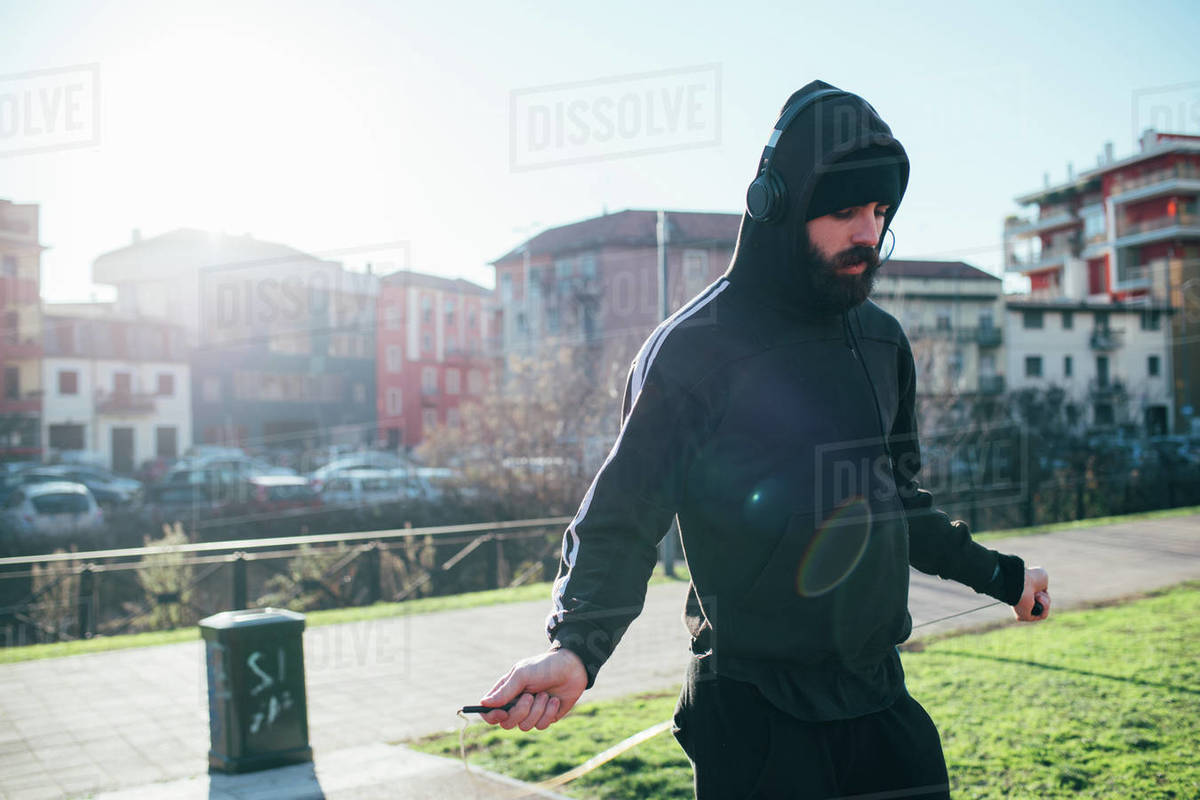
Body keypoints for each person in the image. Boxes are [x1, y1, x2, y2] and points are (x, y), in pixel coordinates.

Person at [476, 80, 1051, 799]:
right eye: (844, 211)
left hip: (878, 700)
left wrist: (1003, 577)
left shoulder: (882, 342)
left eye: (880, 212)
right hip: (755, 721)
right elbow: (624, 516)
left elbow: (898, 504)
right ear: (776, 205)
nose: (868, 233)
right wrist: (577, 648)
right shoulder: (693, 351)